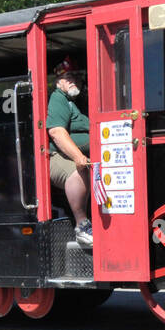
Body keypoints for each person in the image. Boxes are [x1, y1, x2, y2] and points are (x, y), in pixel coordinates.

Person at [46, 59, 94, 246]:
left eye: (76, 76)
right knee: (78, 171)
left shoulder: (75, 100)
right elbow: (57, 132)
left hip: (76, 154)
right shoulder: (58, 98)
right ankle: (82, 226)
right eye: (68, 77)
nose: (74, 80)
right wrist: (78, 157)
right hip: (56, 156)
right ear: (59, 81)